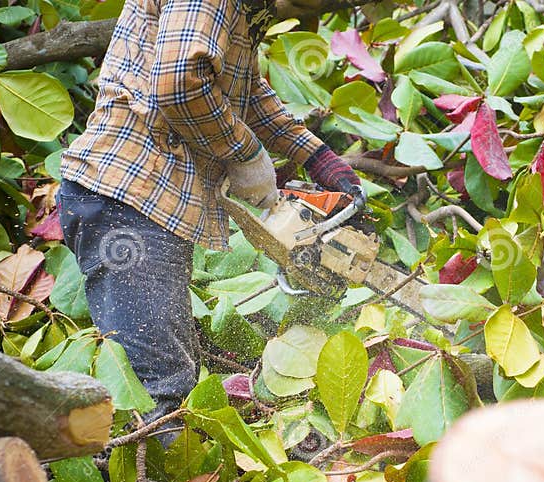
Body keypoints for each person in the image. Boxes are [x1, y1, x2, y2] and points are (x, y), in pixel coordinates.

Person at [58, 0, 360, 438]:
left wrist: (321, 160)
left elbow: (246, 94)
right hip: (128, 198)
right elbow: (179, 81)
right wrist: (245, 154)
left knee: (163, 374)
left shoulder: (247, 12)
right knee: (157, 392)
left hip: (147, 205)